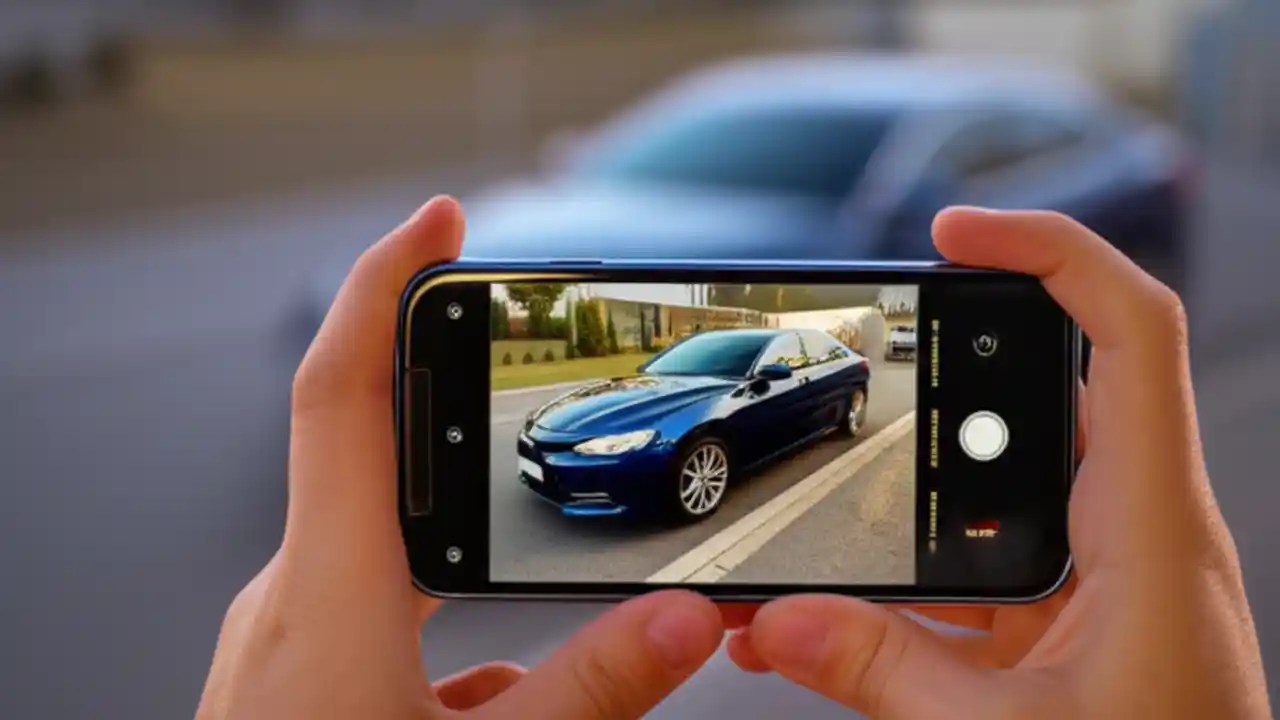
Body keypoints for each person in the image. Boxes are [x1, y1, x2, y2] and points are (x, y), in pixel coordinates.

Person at [196, 198, 1271, 719]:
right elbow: (614, 412)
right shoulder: (665, 375)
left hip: (785, 390)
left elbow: (697, 424)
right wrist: (565, 442)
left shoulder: (797, 365)